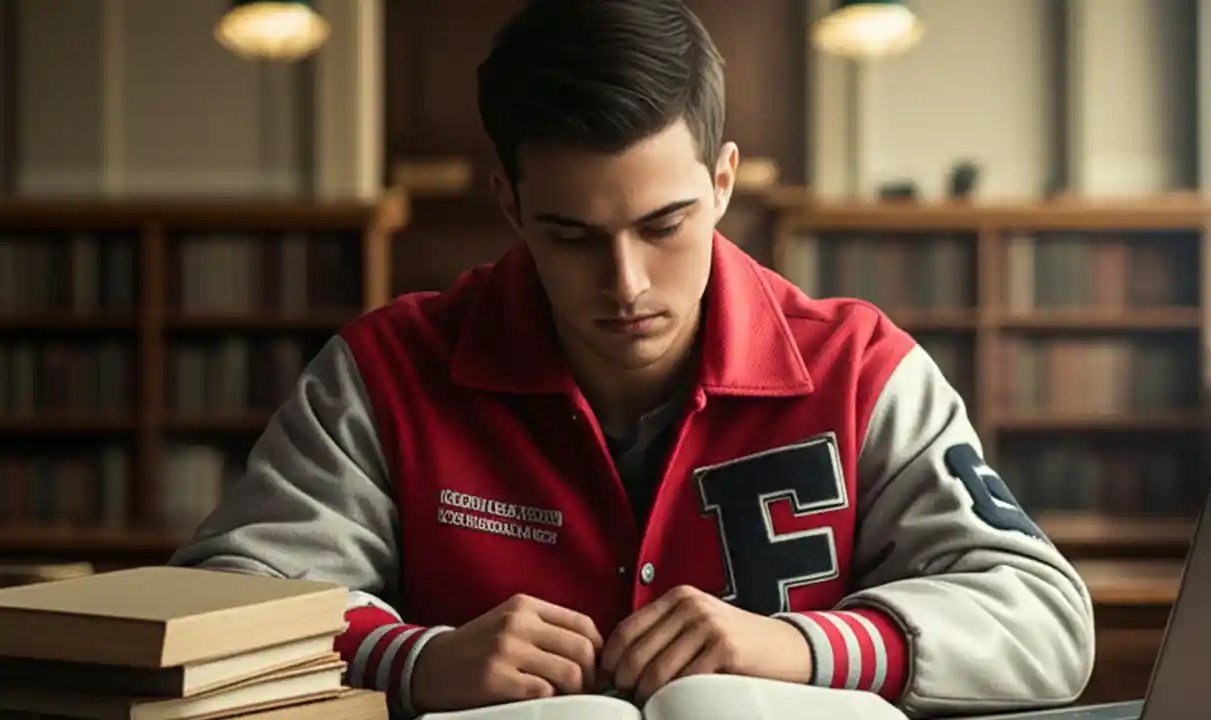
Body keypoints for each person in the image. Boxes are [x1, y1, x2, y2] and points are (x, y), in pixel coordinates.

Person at [169, 1, 1095, 718]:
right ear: (510, 204)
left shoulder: (862, 369)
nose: (626, 283)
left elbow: (1045, 621)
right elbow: (214, 608)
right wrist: (415, 660)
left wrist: (803, 648)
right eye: (572, 234)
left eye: (665, 225)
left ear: (722, 182)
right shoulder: (385, 372)